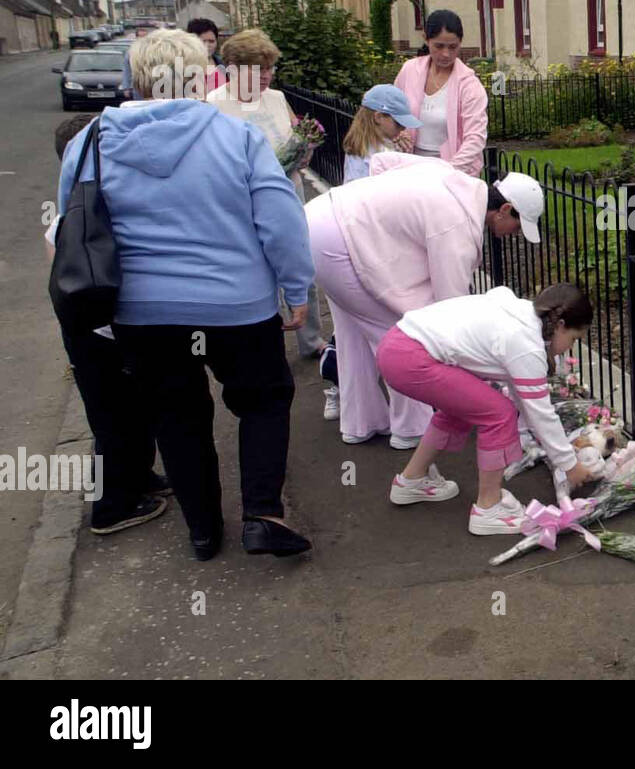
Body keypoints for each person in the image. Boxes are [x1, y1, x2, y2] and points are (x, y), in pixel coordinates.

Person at [58, 28, 317, 560]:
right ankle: (263, 514)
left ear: (136, 79)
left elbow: (72, 226)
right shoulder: (235, 138)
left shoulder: (90, 143)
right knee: (264, 401)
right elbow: (280, 220)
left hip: (142, 312)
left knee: (176, 415)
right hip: (237, 306)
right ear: (202, 76)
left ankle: (203, 531)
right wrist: (295, 289)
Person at [305, 156, 544, 448]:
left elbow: (380, 162)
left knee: (353, 334)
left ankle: (361, 423)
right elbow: (450, 312)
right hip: (341, 241)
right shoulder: (457, 224)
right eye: (517, 228)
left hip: (321, 218)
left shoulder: (450, 177)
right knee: (400, 335)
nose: (514, 236)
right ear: (504, 210)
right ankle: (411, 429)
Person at [377, 283, 594, 534]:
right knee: (498, 414)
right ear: (560, 325)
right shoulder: (527, 346)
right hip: (409, 357)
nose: (570, 346)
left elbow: (526, 401)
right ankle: (488, 509)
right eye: (574, 338)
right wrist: (570, 465)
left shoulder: (522, 317)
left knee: (464, 409)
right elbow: (539, 413)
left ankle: (412, 480)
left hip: (397, 344)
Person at [47, 114, 171, 536]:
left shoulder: (86, 203)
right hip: (95, 333)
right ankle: (111, 505)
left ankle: (138, 478)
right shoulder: (77, 215)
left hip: (103, 330)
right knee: (112, 420)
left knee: (134, 413)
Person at [208, 28, 328, 360]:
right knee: (260, 278)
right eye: (259, 69)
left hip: (289, 195)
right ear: (233, 67)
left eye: (270, 68)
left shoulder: (275, 98)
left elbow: (296, 135)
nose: (267, 75)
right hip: (244, 205)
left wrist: (304, 152)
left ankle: (312, 339)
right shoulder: (214, 105)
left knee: (301, 268)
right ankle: (268, 347)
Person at [394, 9, 488, 176]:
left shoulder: (469, 85)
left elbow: (475, 139)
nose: (446, 54)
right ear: (426, 39)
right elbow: (392, 113)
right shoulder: (409, 70)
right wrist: (399, 133)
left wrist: (448, 173)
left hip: (454, 172)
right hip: (410, 169)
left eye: (453, 47)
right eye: (439, 46)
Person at [342, 84, 421, 183]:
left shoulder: (382, 144)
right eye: (398, 123)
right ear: (378, 117)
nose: (403, 128)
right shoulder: (365, 153)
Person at [185, 17, 226, 91]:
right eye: (203, 41)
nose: (207, 45)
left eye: (211, 41)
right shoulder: (183, 68)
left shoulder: (224, 64)